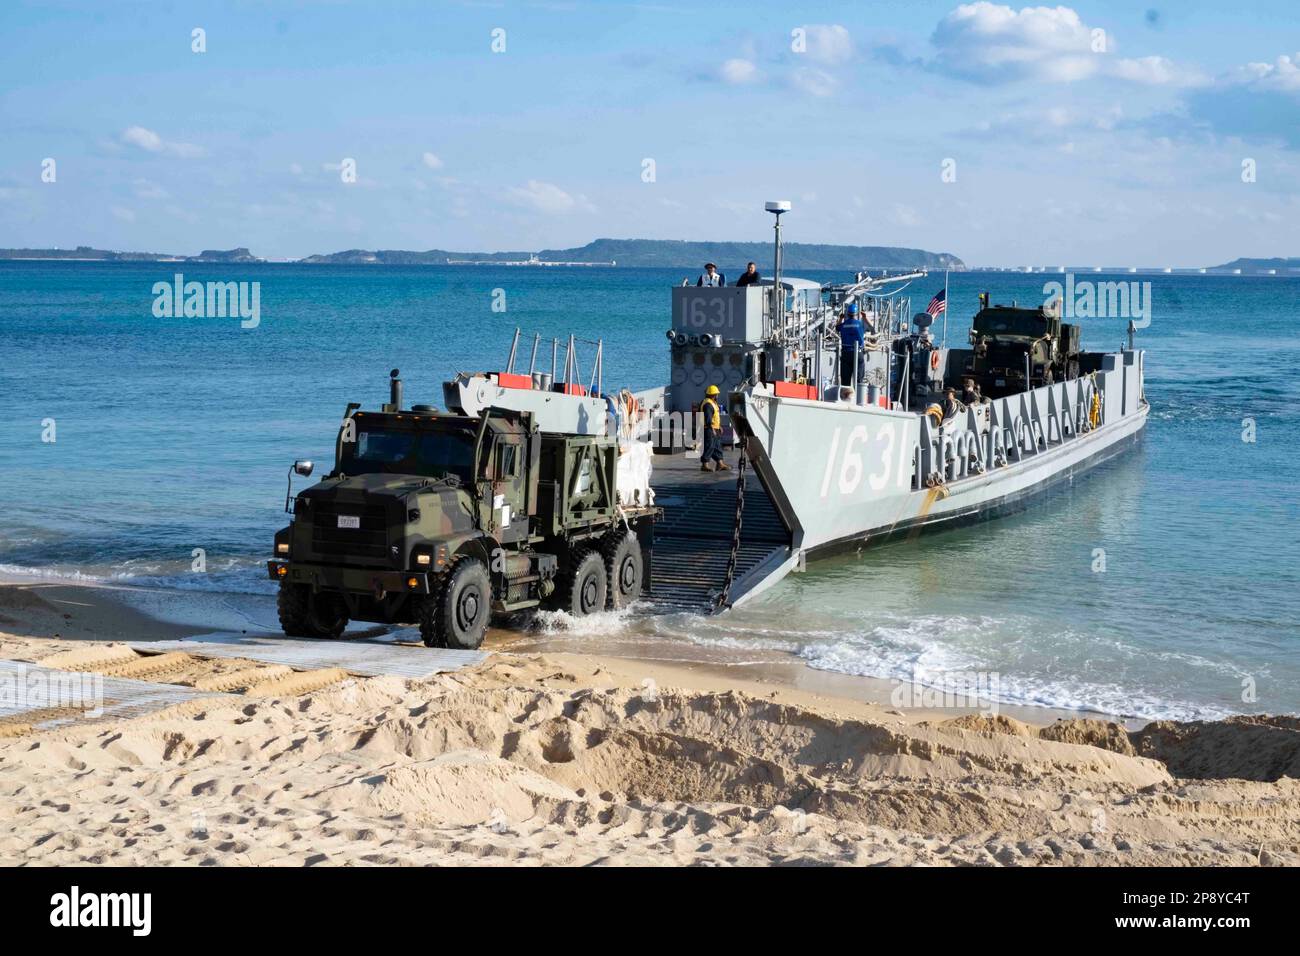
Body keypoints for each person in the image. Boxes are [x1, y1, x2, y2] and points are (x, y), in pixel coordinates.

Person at [699, 384, 730, 472]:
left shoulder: (712, 402)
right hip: (708, 428)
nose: (717, 395)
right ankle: (705, 464)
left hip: (714, 428)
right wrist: (711, 428)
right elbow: (708, 417)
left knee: (717, 446)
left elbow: (714, 417)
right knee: (709, 446)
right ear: (713, 395)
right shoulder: (708, 404)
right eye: (716, 394)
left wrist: (718, 426)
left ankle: (720, 464)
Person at [837, 302, 865, 386]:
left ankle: (846, 397)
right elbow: (871, 327)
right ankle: (859, 396)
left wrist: (841, 318)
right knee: (859, 379)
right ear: (856, 314)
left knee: (845, 380)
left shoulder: (844, 324)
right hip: (858, 352)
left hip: (846, 353)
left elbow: (837, 327)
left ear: (847, 314)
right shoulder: (860, 324)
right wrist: (864, 317)